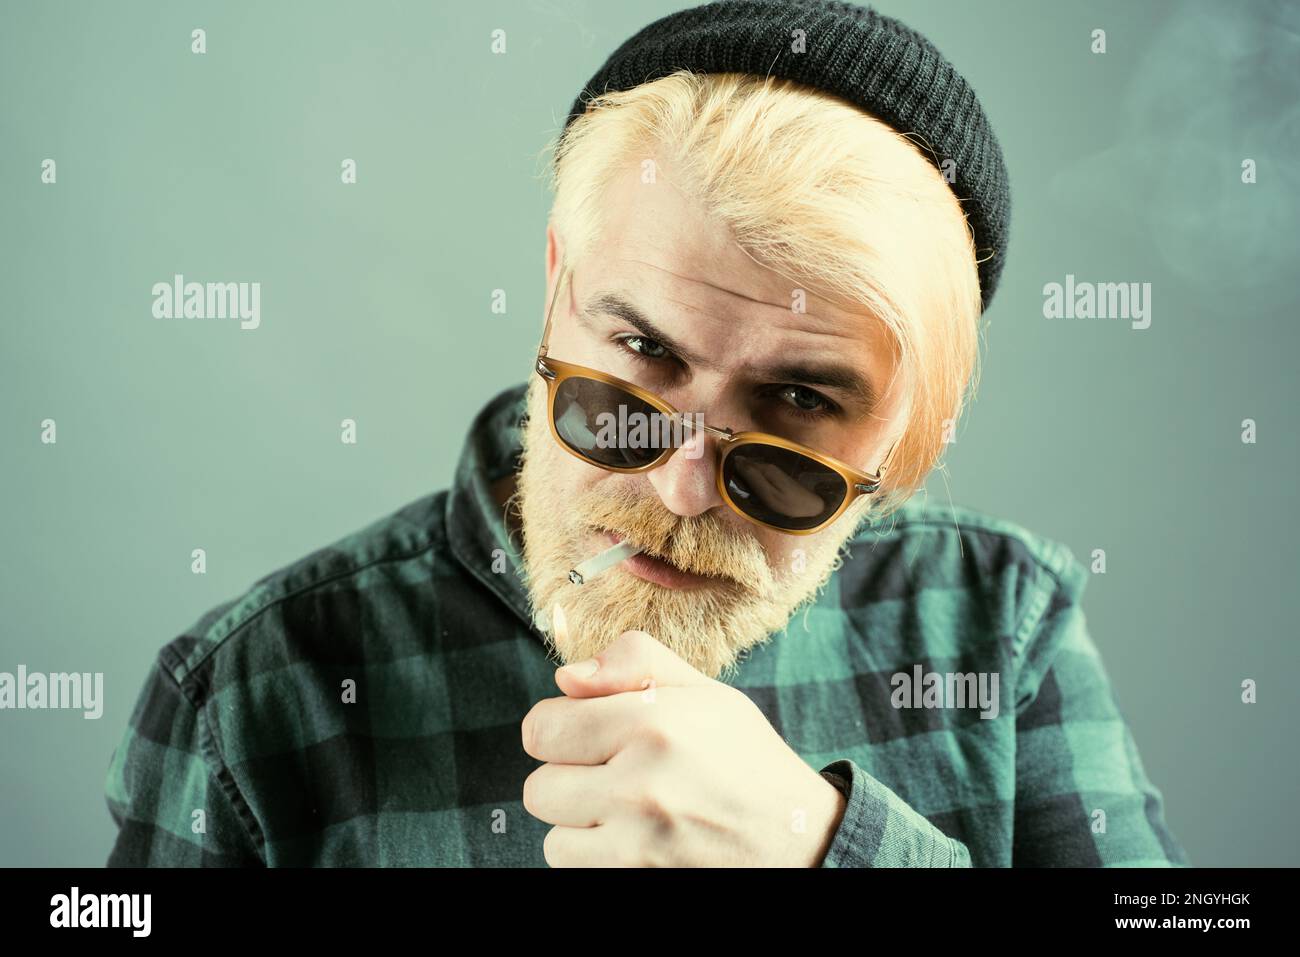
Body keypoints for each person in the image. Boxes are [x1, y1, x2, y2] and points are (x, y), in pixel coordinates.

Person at [104, 0, 1188, 867]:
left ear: (904, 436)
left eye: (799, 408)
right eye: (639, 360)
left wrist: (827, 854)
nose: (680, 491)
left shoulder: (999, 623)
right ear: (554, 291)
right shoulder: (252, 697)